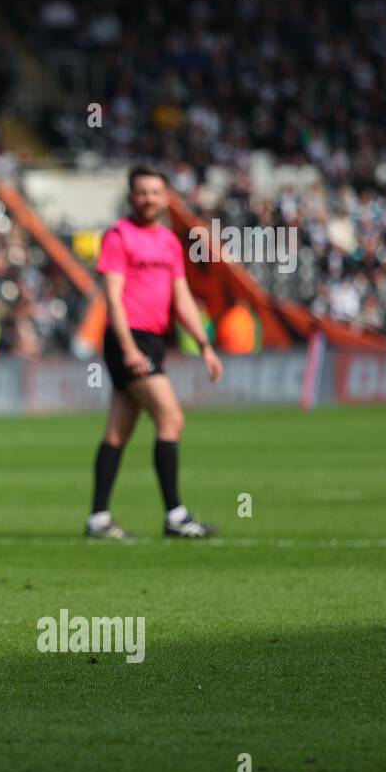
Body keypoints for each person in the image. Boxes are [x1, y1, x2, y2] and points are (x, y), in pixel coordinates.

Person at [86, 166, 223, 540]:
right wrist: (128, 347)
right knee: (171, 419)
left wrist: (206, 345)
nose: (148, 199)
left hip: (154, 340)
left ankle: (98, 520)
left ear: (166, 198)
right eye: (142, 192)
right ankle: (175, 516)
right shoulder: (118, 236)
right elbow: (112, 296)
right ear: (131, 197)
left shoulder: (169, 242)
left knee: (119, 430)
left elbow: (181, 298)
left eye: (155, 192)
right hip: (127, 339)